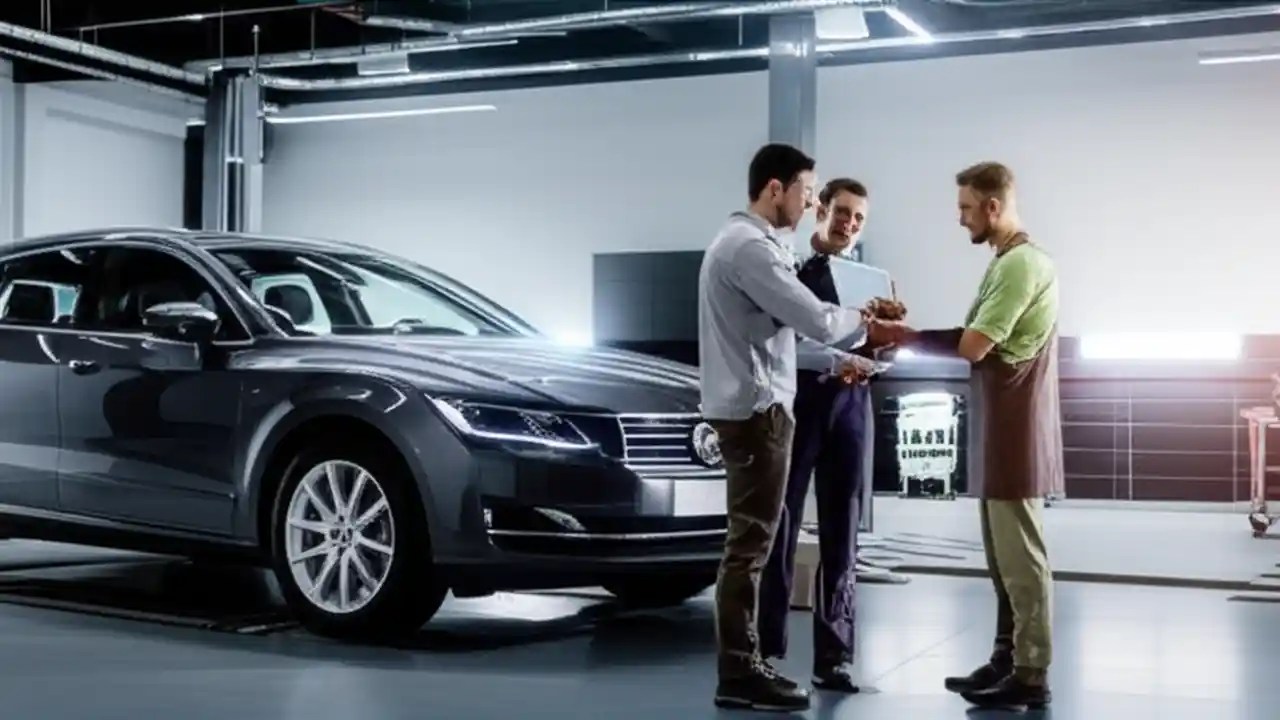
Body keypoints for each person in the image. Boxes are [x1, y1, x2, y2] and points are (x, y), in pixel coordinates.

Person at [698, 144, 899, 712]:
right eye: (809, 192)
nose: (812, 201)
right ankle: (742, 670)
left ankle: (757, 662)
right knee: (756, 546)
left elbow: (789, 339)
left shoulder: (751, 246)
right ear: (776, 189)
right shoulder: (753, 251)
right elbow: (812, 319)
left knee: (763, 542)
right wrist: (869, 327)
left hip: (777, 409)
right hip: (761, 413)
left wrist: (846, 358)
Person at [899, 161, 1062, 711]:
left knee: (1022, 559)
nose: (961, 218)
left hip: (1017, 429)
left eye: (966, 208)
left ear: (993, 206)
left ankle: (1031, 673)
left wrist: (909, 337)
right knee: (1002, 559)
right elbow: (973, 338)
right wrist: (910, 335)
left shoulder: (1022, 264)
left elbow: (973, 346)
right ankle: (1006, 659)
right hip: (1001, 426)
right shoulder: (1004, 261)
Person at [757, 177, 887, 694]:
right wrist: (842, 358)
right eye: (843, 212)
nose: (850, 223)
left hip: (853, 409)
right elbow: (783, 340)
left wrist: (883, 347)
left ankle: (835, 657)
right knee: (781, 524)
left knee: (844, 529)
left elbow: (879, 346)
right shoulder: (786, 269)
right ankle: (765, 649)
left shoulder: (870, 281)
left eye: (859, 218)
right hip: (801, 403)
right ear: (822, 211)